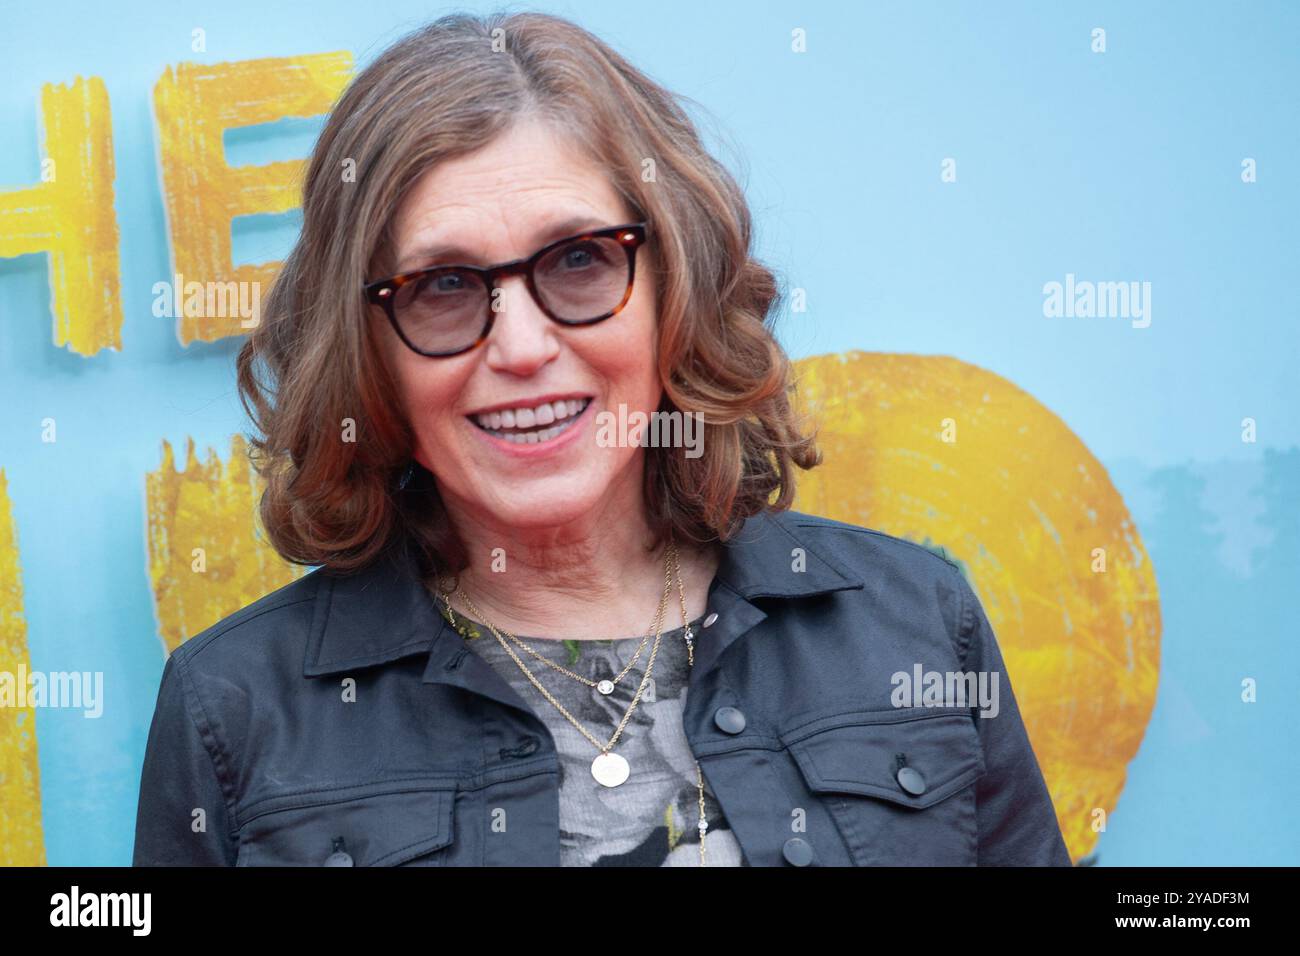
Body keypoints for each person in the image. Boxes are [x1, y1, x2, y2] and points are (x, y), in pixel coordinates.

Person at [132, 10, 1071, 867]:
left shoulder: (914, 622)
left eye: (580, 261)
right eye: (444, 287)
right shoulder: (233, 709)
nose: (525, 347)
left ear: (677, 288)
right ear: (366, 350)